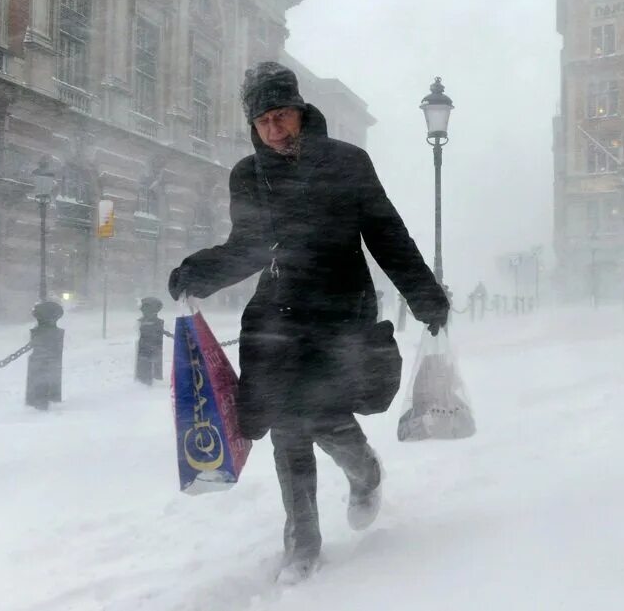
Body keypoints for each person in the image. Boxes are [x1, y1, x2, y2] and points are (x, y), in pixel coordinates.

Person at [168, 62, 449, 581]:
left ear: (299, 111)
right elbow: (249, 246)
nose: (274, 129)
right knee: (287, 429)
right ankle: (302, 543)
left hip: (340, 314)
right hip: (278, 316)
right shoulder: (248, 175)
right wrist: (198, 273)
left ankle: (364, 471)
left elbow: (385, 233)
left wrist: (424, 294)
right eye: (263, 122)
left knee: (323, 416)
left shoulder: (347, 163)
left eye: (281, 116)